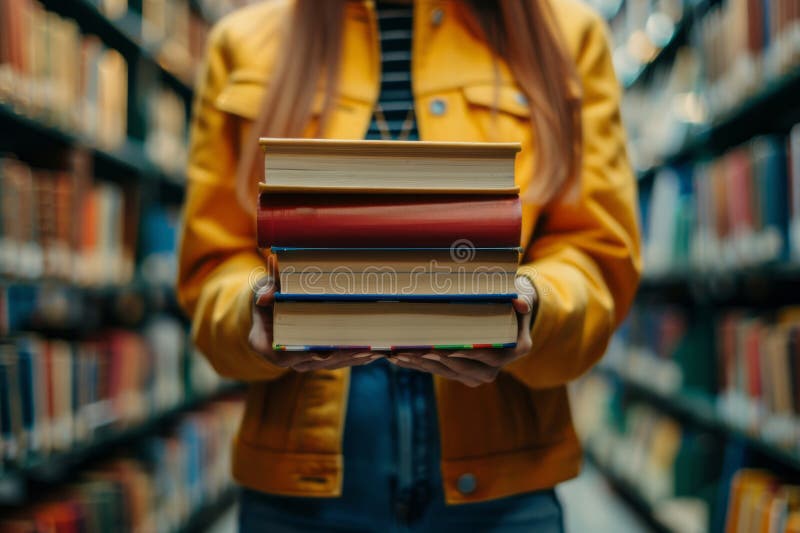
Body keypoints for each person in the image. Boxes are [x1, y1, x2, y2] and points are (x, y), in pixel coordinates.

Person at [177, 0, 641, 530]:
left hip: (502, 495)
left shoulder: (567, 34)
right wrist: (251, 311)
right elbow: (211, 266)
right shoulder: (243, 43)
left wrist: (532, 305)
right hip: (299, 496)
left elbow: (597, 257)